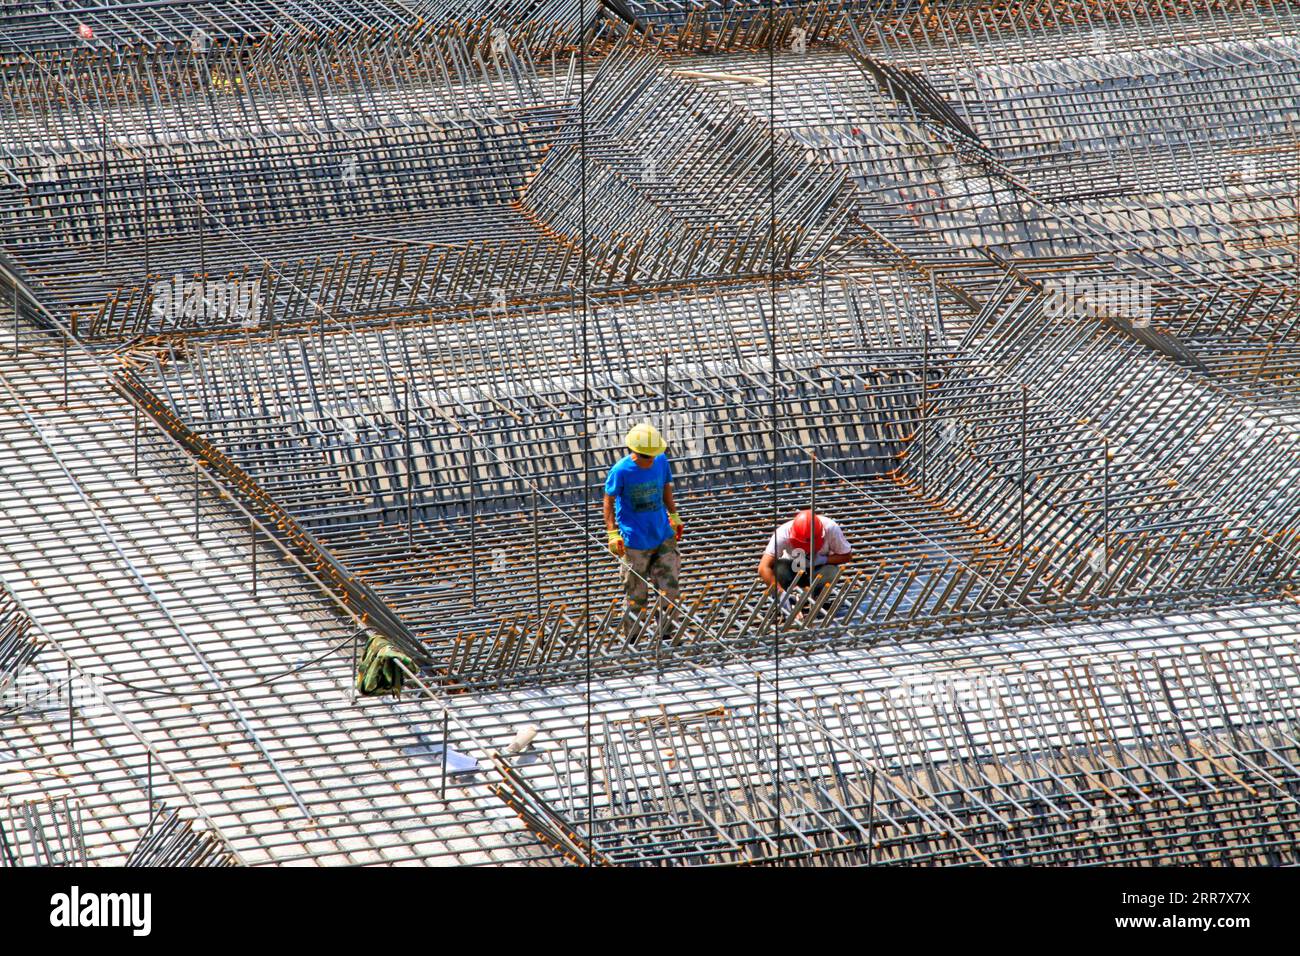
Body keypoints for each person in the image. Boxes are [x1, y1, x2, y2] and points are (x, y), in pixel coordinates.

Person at [604, 422, 683, 638]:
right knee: (636, 597)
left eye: (654, 456)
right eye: (647, 457)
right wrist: (612, 533)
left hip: (662, 537)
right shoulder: (621, 470)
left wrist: (674, 515)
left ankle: (666, 636)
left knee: (670, 591)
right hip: (635, 543)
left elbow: (666, 486)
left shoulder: (660, 461)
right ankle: (634, 640)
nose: (652, 460)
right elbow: (608, 501)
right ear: (635, 453)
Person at [757, 509, 852, 615]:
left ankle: (814, 598)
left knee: (832, 571)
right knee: (779, 568)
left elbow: (847, 556)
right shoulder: (782, 533)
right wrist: (779, 592)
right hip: (793, 567)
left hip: (817, 570)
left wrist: (823, 560)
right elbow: (763, 567)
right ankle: (784, 600)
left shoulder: (831, 528)